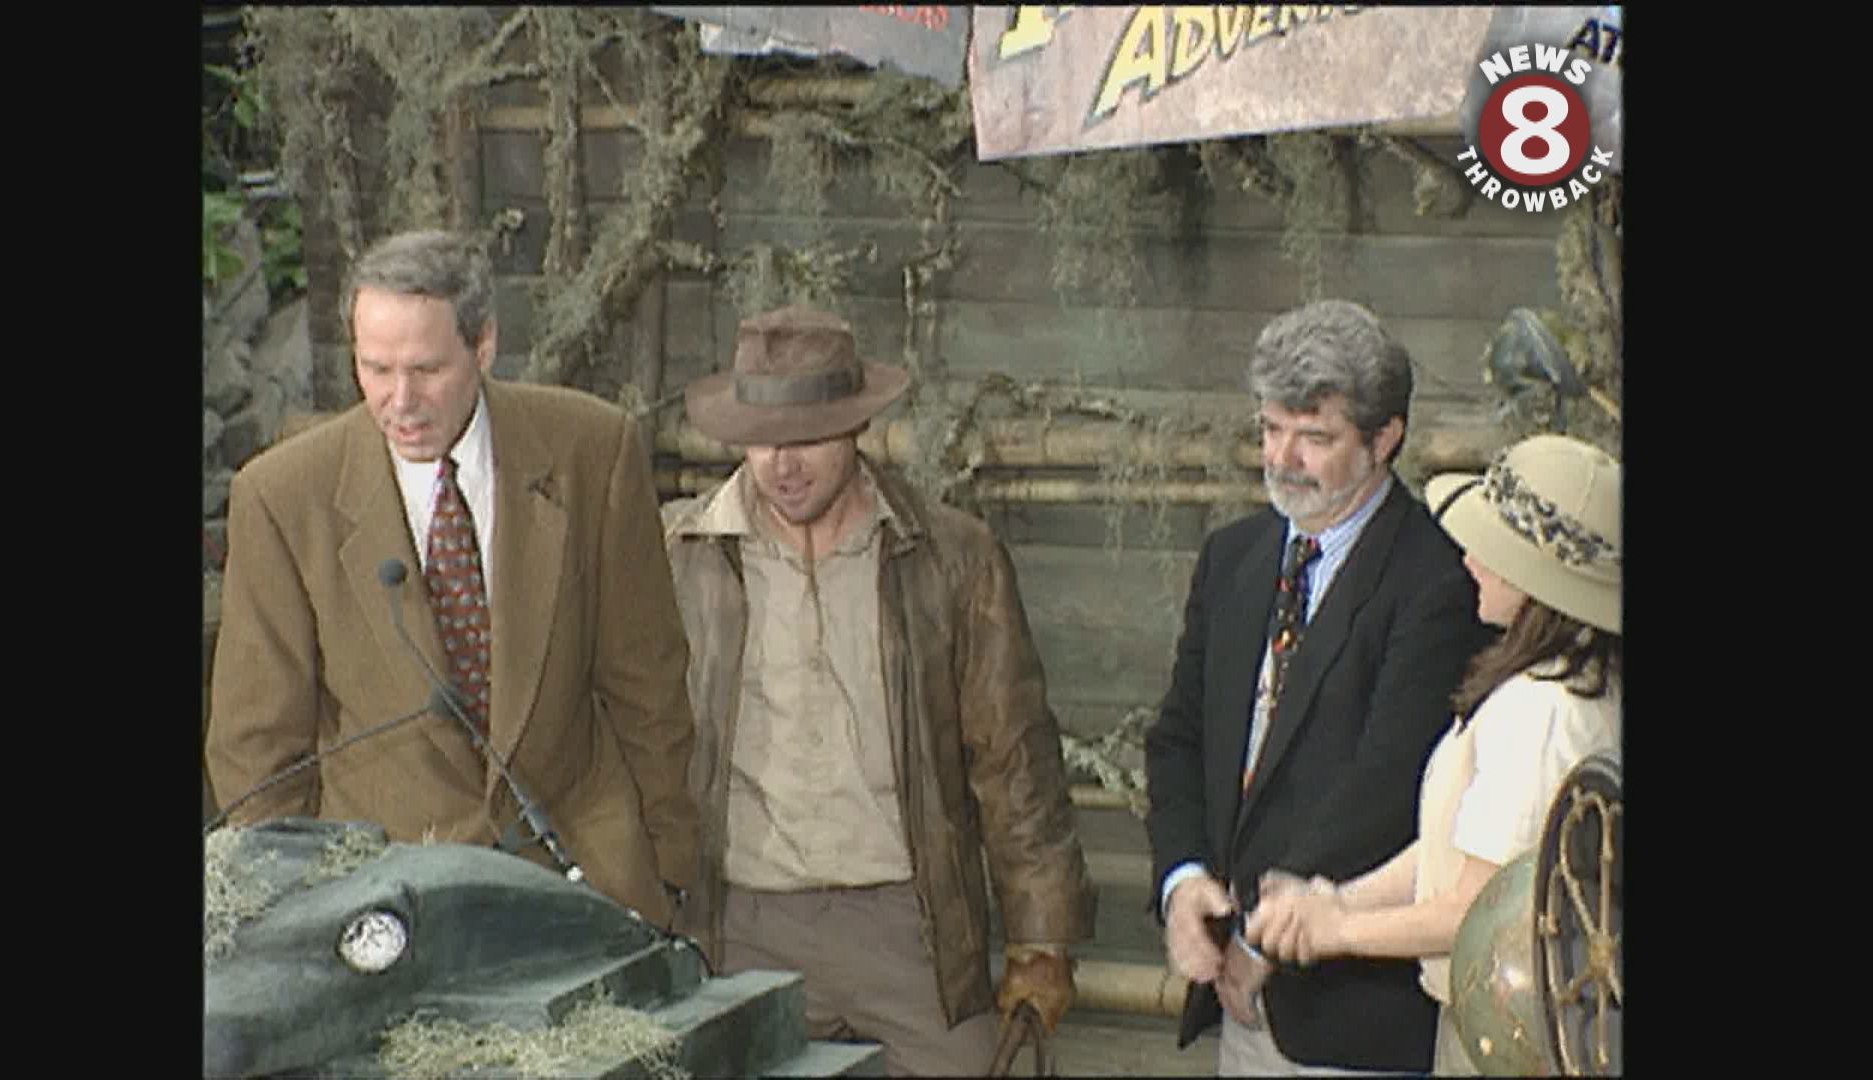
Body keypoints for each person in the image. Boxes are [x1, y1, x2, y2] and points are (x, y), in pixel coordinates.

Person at [206, 229, 701, 927]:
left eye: (427, 370)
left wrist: (670, 871)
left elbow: (648, 688)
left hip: (585, 887)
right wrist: (299, 924)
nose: (399, 400)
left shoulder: (594, 451)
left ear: (484, 346)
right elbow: (256, 754)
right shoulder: (282, 497)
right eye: (375, 369)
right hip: (387, 912)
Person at [659, 304, 1096, 1076]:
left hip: (909, 917)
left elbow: (1013, 751)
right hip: (739, 917)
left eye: (808, 440)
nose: (783, 465)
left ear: (857, 428)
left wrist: (1040, 935)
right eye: (764, 442)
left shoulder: (949, 555)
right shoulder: (680, 554)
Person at [1143, 299, 1494, 1075]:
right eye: (1270, 429)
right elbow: (1179, 739)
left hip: (1354, 1013)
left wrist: (1269, 933)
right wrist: (1182, 882)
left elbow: (1390, 783)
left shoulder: (1435, 580)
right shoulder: (1234, 557)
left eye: (1315, 437)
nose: (1282, 457)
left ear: (1385, 438)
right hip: (1238, 997)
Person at [1244, 433, 1622, 1075]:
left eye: (1491, 550)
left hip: (1515, 1042)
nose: (1469, 559)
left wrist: (1336, 932)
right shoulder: (1574, 683)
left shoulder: (1542, 710)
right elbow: (1458, 848)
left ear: (1538, 577)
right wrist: (1337, 900)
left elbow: (1474, 908)